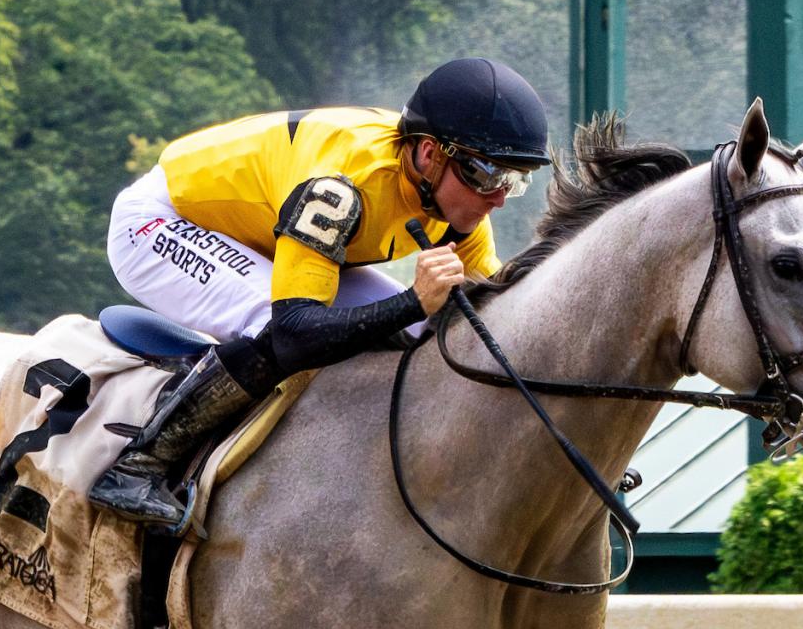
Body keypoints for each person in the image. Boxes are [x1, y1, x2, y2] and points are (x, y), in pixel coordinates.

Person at [92, 56, 552, 530]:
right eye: (487, 174)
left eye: (514, 180)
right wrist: (412, 300)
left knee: (423, 332)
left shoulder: (452, 200)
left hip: (270, 231)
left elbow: (488, 318)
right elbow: (293, 334)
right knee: (271, 324)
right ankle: (137, 468)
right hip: (165, 220)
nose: (499, 197)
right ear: (430, 154)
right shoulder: (341, 188)